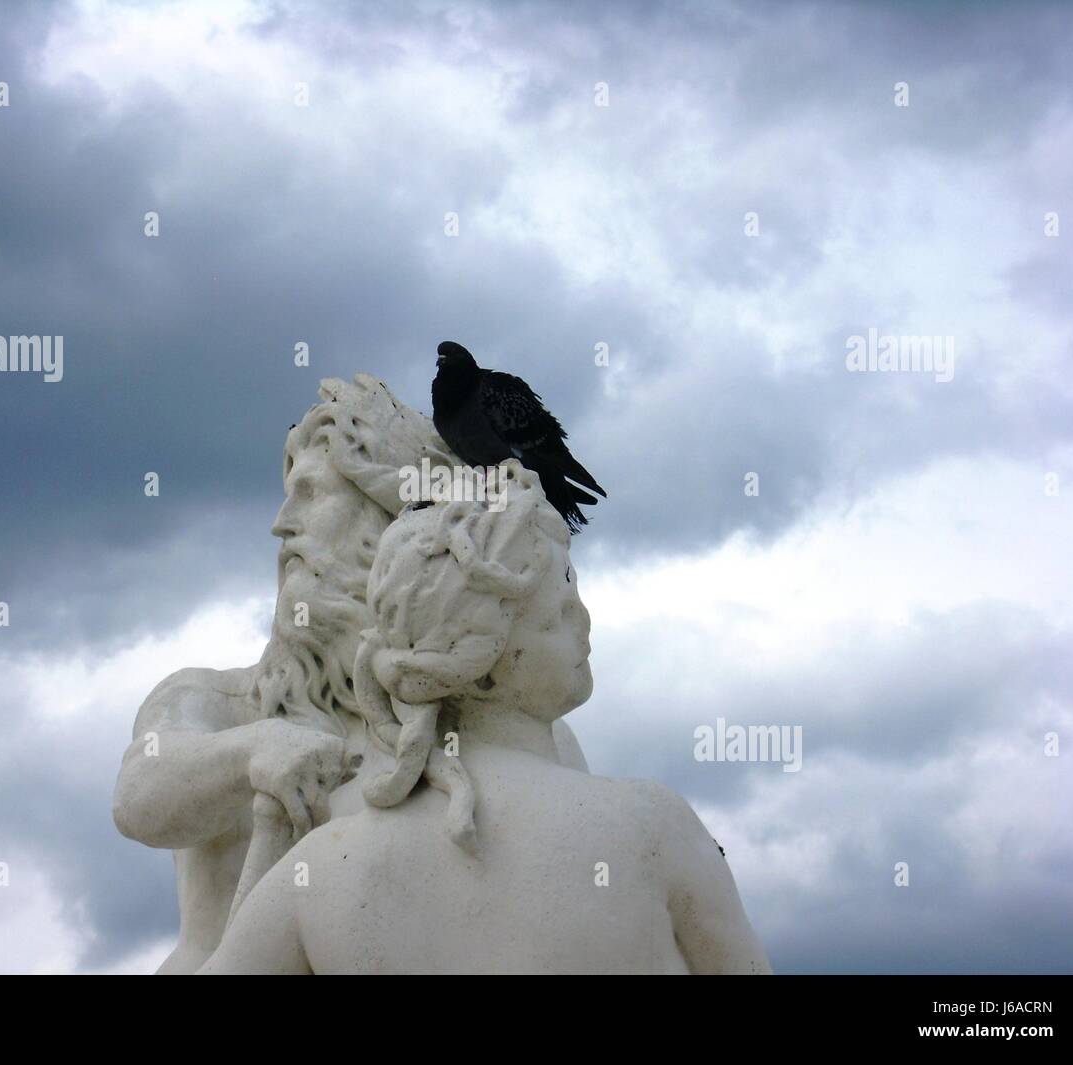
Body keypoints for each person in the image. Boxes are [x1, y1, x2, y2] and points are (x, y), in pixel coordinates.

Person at [203, 462, 772, 974]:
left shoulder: (320, 872)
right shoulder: (649, 824)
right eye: (556, 616)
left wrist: (268, 843)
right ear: (480, 670)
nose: (585, 623)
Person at [112, 376, 589, 973]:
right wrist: (251, 752)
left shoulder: (505, 731)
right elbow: (140, 799)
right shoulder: (221, 702)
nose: (282, 524)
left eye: (310, 494)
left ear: (390, 518)